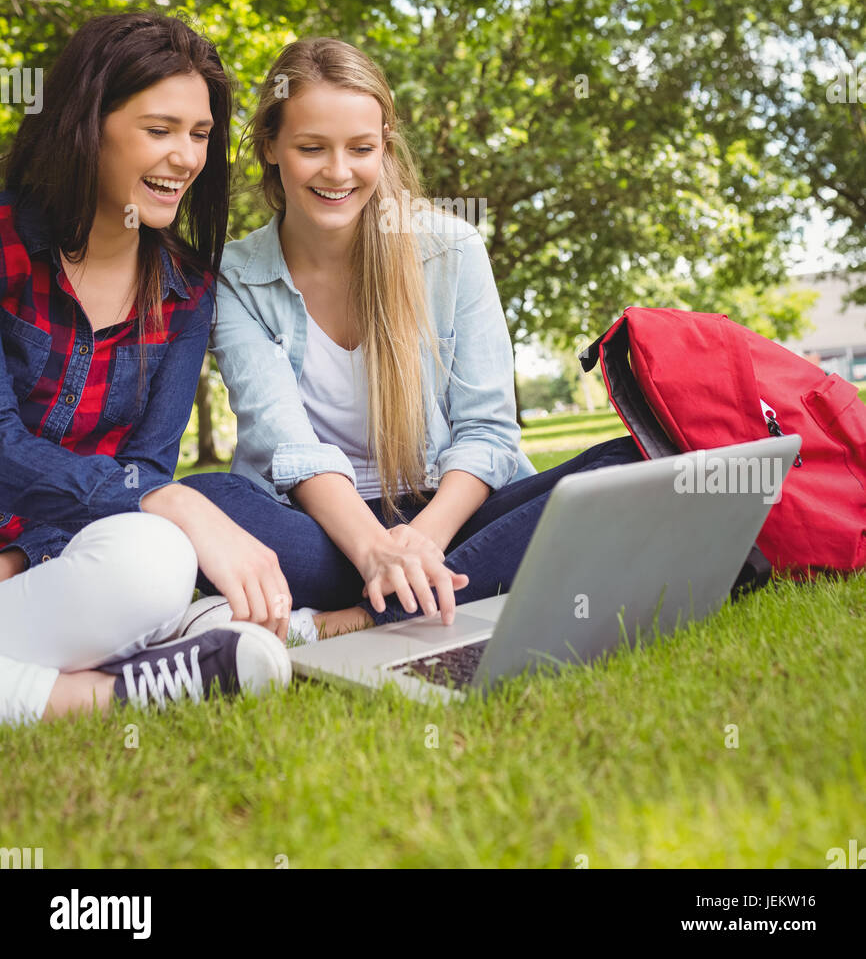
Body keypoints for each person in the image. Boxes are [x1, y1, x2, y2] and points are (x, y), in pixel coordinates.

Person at [185, 37, 642, 639]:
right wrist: (376, 550)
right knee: (206, 501)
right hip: (316, 530)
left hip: (449, 513)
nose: (338, 172)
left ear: (385, 145)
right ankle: (467, 584)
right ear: (270, 147)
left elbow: (487, 430)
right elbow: (288, 448)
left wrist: (417, 544)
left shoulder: (451, 250)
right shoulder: (235, 278)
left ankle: (335, 622)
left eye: (361, 148)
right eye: (311, 148)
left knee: (635, 460)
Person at [0, 11, 292, 727]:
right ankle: (107, 692)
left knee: (157, 558)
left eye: (199, 135)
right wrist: (173, 500)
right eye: (160, 130)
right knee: (168, 521)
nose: (187, 158)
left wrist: (27, 556)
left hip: (49, 566)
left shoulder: (187, 291)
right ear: (86, 124)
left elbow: (145, 471)